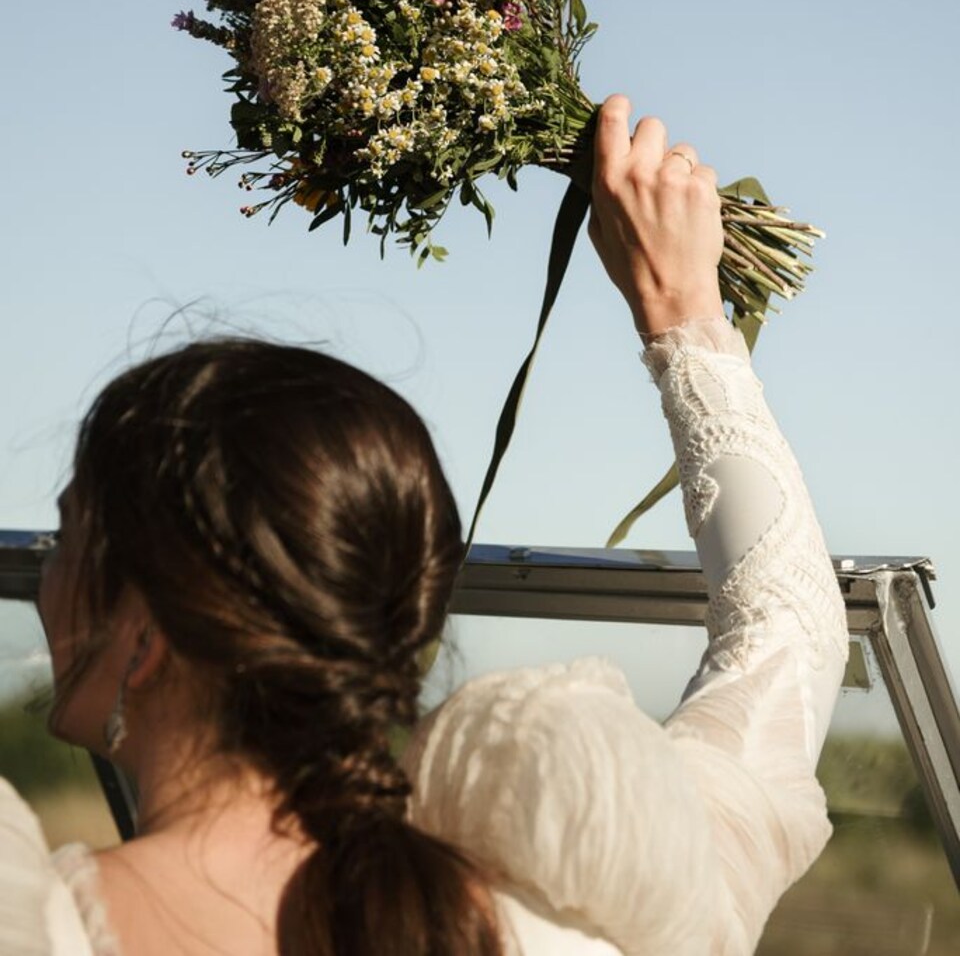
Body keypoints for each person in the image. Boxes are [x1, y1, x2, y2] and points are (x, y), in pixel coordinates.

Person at [0, 97, 848, 955]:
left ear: (144, 637)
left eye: (67, 536)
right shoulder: (572, 912)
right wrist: (680, 299)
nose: (44, 574)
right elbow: (788, 633)